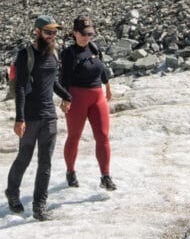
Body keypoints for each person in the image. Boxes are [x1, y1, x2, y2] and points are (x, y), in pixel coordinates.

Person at [8, 13, 73, 220]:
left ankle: (39, 206)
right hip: (30, 117)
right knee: (24, 158)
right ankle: (12, 192)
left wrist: (67, 96)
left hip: (49, 116)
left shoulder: (54, 54)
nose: (52, 36)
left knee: (45, 162)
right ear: (37, 32)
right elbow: (19, 88)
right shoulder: (25, 55)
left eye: (54, 32)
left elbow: (52, 82)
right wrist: (20, 119)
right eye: (48, 32)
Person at [60, 16, 116, 191]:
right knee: (74, 136)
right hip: (77, 97)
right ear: (74, 33)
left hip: (97, 95)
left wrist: (107, 85)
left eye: (90, 34)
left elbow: (102, 68)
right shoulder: (69, 53)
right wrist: (65, 98)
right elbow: (63, 78)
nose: (87, 37)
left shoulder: (94, 47)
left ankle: (105, 176)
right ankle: (70, 172)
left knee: (103, 136)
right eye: (83, 34)